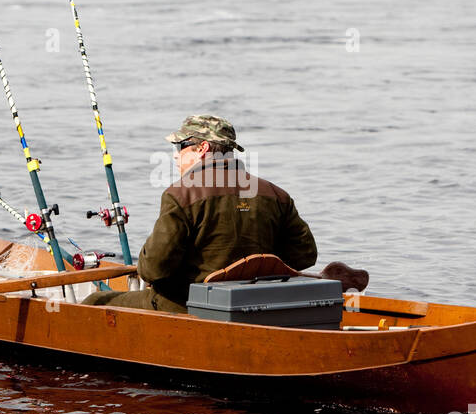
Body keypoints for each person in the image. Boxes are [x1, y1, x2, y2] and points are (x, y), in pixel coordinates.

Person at [82, 114, 317, 313]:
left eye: (180, 146)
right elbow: (305, 256)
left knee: (95, 302)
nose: (176, 154)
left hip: (187, 305)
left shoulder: (180, 195)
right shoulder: (275, 194)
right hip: (257, 304)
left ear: (202, 148)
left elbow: (153, 270)